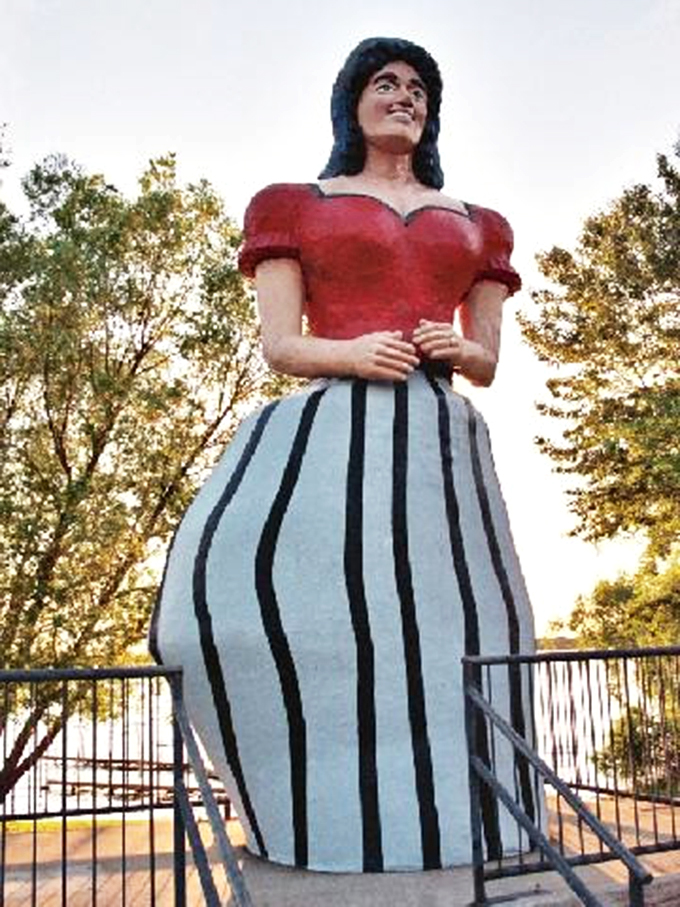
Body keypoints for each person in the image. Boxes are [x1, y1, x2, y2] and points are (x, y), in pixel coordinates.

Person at [149, 36, 538, 874]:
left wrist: (455, 348)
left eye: (420, 88)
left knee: (471, 613)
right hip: (337, 429)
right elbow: (283, 346)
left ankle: (476, 809)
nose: (405, 97)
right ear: (352, 101)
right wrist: (356, 352)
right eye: (386, 82)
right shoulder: (294, 204)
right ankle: (316, 808)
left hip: (439, 434)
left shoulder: (480, 224)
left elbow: (488, 361)